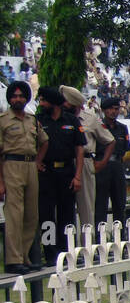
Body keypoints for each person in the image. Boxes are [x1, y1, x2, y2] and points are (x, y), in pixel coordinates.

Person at [35, 85, 86, 265]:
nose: (41, 104)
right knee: (47, 216)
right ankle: (49, 253)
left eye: (44, 101)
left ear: (54, 103)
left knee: (67, 215)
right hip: (46, 173)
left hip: (66, 172)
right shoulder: (38, 120)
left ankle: (66, 251)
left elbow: (79, 150)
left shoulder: (72, 121)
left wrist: (78, 176)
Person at [0, 80, 39, 272]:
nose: (18, 99)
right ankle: (13, 260)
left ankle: (24, 257)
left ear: (26, 98)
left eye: (21, 96)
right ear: (9, 99)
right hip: (11, 165)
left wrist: (38, 162)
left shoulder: (32, 120)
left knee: (31, 215)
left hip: (31, 165)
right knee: (15, 215)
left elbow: (44, 142)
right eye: (14, 96)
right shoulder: (3, 120)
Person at [63, 86, 113, 231]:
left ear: (75, 103)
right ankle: (67, 247)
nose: (64, 105)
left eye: (67, 102)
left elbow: (110, 140)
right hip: (66, 162)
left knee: (86, 207)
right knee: (64, 207)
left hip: (85, 162)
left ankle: (88, 246)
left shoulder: (90, 119)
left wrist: (102, 162)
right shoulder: (61, 118)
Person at [95, 97, 130, 227]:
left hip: (117, 165)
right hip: (101, 166)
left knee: (119, 203)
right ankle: (100, 239)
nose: (113, 112)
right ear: (104, 110)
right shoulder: (98, 127)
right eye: (110, 109)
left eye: (116, 109)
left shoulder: (122, 128)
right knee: (100, 204)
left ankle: (120, 238)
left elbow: (125, 148)